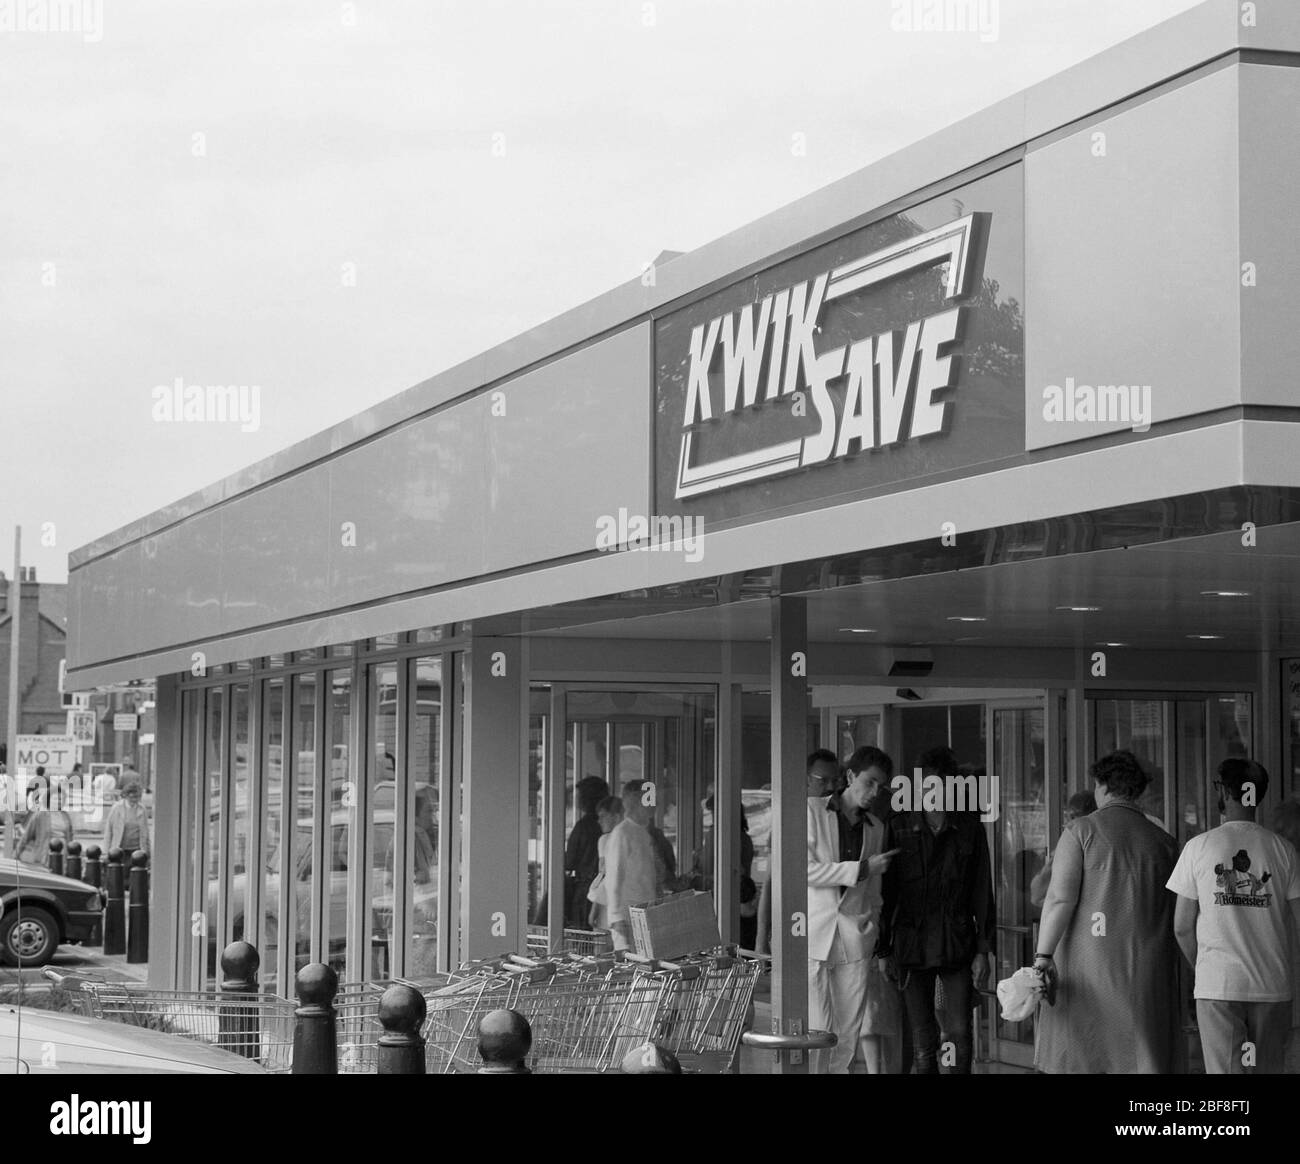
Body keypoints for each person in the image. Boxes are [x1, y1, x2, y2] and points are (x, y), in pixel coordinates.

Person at [1033, 749, 1182, 1073]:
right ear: (1138, 790)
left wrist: (1043, 956)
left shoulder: (1081, 832)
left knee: (1084, 1056)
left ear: (1102, 786)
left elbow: (1059, 899)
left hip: (1088, 969)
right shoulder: (1165, 843)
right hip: (1148, 973)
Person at [1168, 759, 1300, 1074]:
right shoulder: (1284, 850)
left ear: (1226, 793)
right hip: (1272, 984)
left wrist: (1206, 966)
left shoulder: (1198, 847)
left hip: (1218, 986)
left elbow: (1182, 928)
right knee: (1267, 1069)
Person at [878, 745, 994, 1075]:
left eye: (943, 785)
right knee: (922, 1034)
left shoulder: (969, 828)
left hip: (957, 941)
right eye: (927, 784)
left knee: (957, 1031)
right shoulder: (899, 825)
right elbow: (886, 891)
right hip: (910, 942)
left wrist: (983, 949)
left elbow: (982, 892)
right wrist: (883, 949)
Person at [807, 749, 897, 1074]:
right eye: (869, 782)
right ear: (849, 777)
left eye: (881, 787)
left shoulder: (875, 827)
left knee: (848, 1031)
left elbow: (875, 894)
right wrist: (858, 869)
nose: (874, 793)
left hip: (855, 937)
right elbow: (802, 870)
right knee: (817, 1029)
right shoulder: (811, 811)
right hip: (813, 935)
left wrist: (872, 929)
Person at [757, 750, 845, 956]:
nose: (831, 787)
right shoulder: (790, 820)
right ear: (806, 780)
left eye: (835, 780)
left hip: (834, 931)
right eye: (823, 780)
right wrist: (760, 940)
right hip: (794, 922)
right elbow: (770, 882)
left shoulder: (842, 821)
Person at [605, 780, 658, 951]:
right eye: (649, 799)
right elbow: (614, 877)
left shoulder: (643, 832)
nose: (654, 805)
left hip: (644, 913)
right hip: (627, 918)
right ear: (634, 802)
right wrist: (616, 916)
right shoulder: (622, 833)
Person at [1029, 791, 1097, 908]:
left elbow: (1037, 896)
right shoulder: (1110, 848)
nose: (1067, 824)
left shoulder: (1069, 848)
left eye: (1071, 818)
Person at [564, 776, 609, 928]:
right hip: (605, 891)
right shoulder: (610, 826)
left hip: (585, 891)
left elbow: (569, 862)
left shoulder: (583, 826)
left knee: (584, 934)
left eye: (578, 796)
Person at [17, 768, 74, 865]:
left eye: (62, 799)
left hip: (62, 856)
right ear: (48, 799)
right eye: (56, 798)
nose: (59, 801)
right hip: (45, 855)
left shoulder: (65, 816)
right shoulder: (41, 814)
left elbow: (71, 838)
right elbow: (26, 836)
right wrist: (16, 856)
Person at [587, 795, 624, 934]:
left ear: (616, 817)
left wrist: (594, 909)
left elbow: (606, 877)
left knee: (602, 950)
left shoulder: (606, 840)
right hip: (627, 904)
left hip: (606, 905)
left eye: (603, 816)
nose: (599, 820)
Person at [103, 776, 151, 856]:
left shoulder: (142, 809)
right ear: (126, 796)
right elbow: (109, 831)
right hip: (119, 849)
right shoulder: (117, 808)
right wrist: (106, 852)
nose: (135, 800)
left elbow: (146, 834)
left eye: (137, 797)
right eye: (132, 797)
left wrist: (147, 853)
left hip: (137, 850)